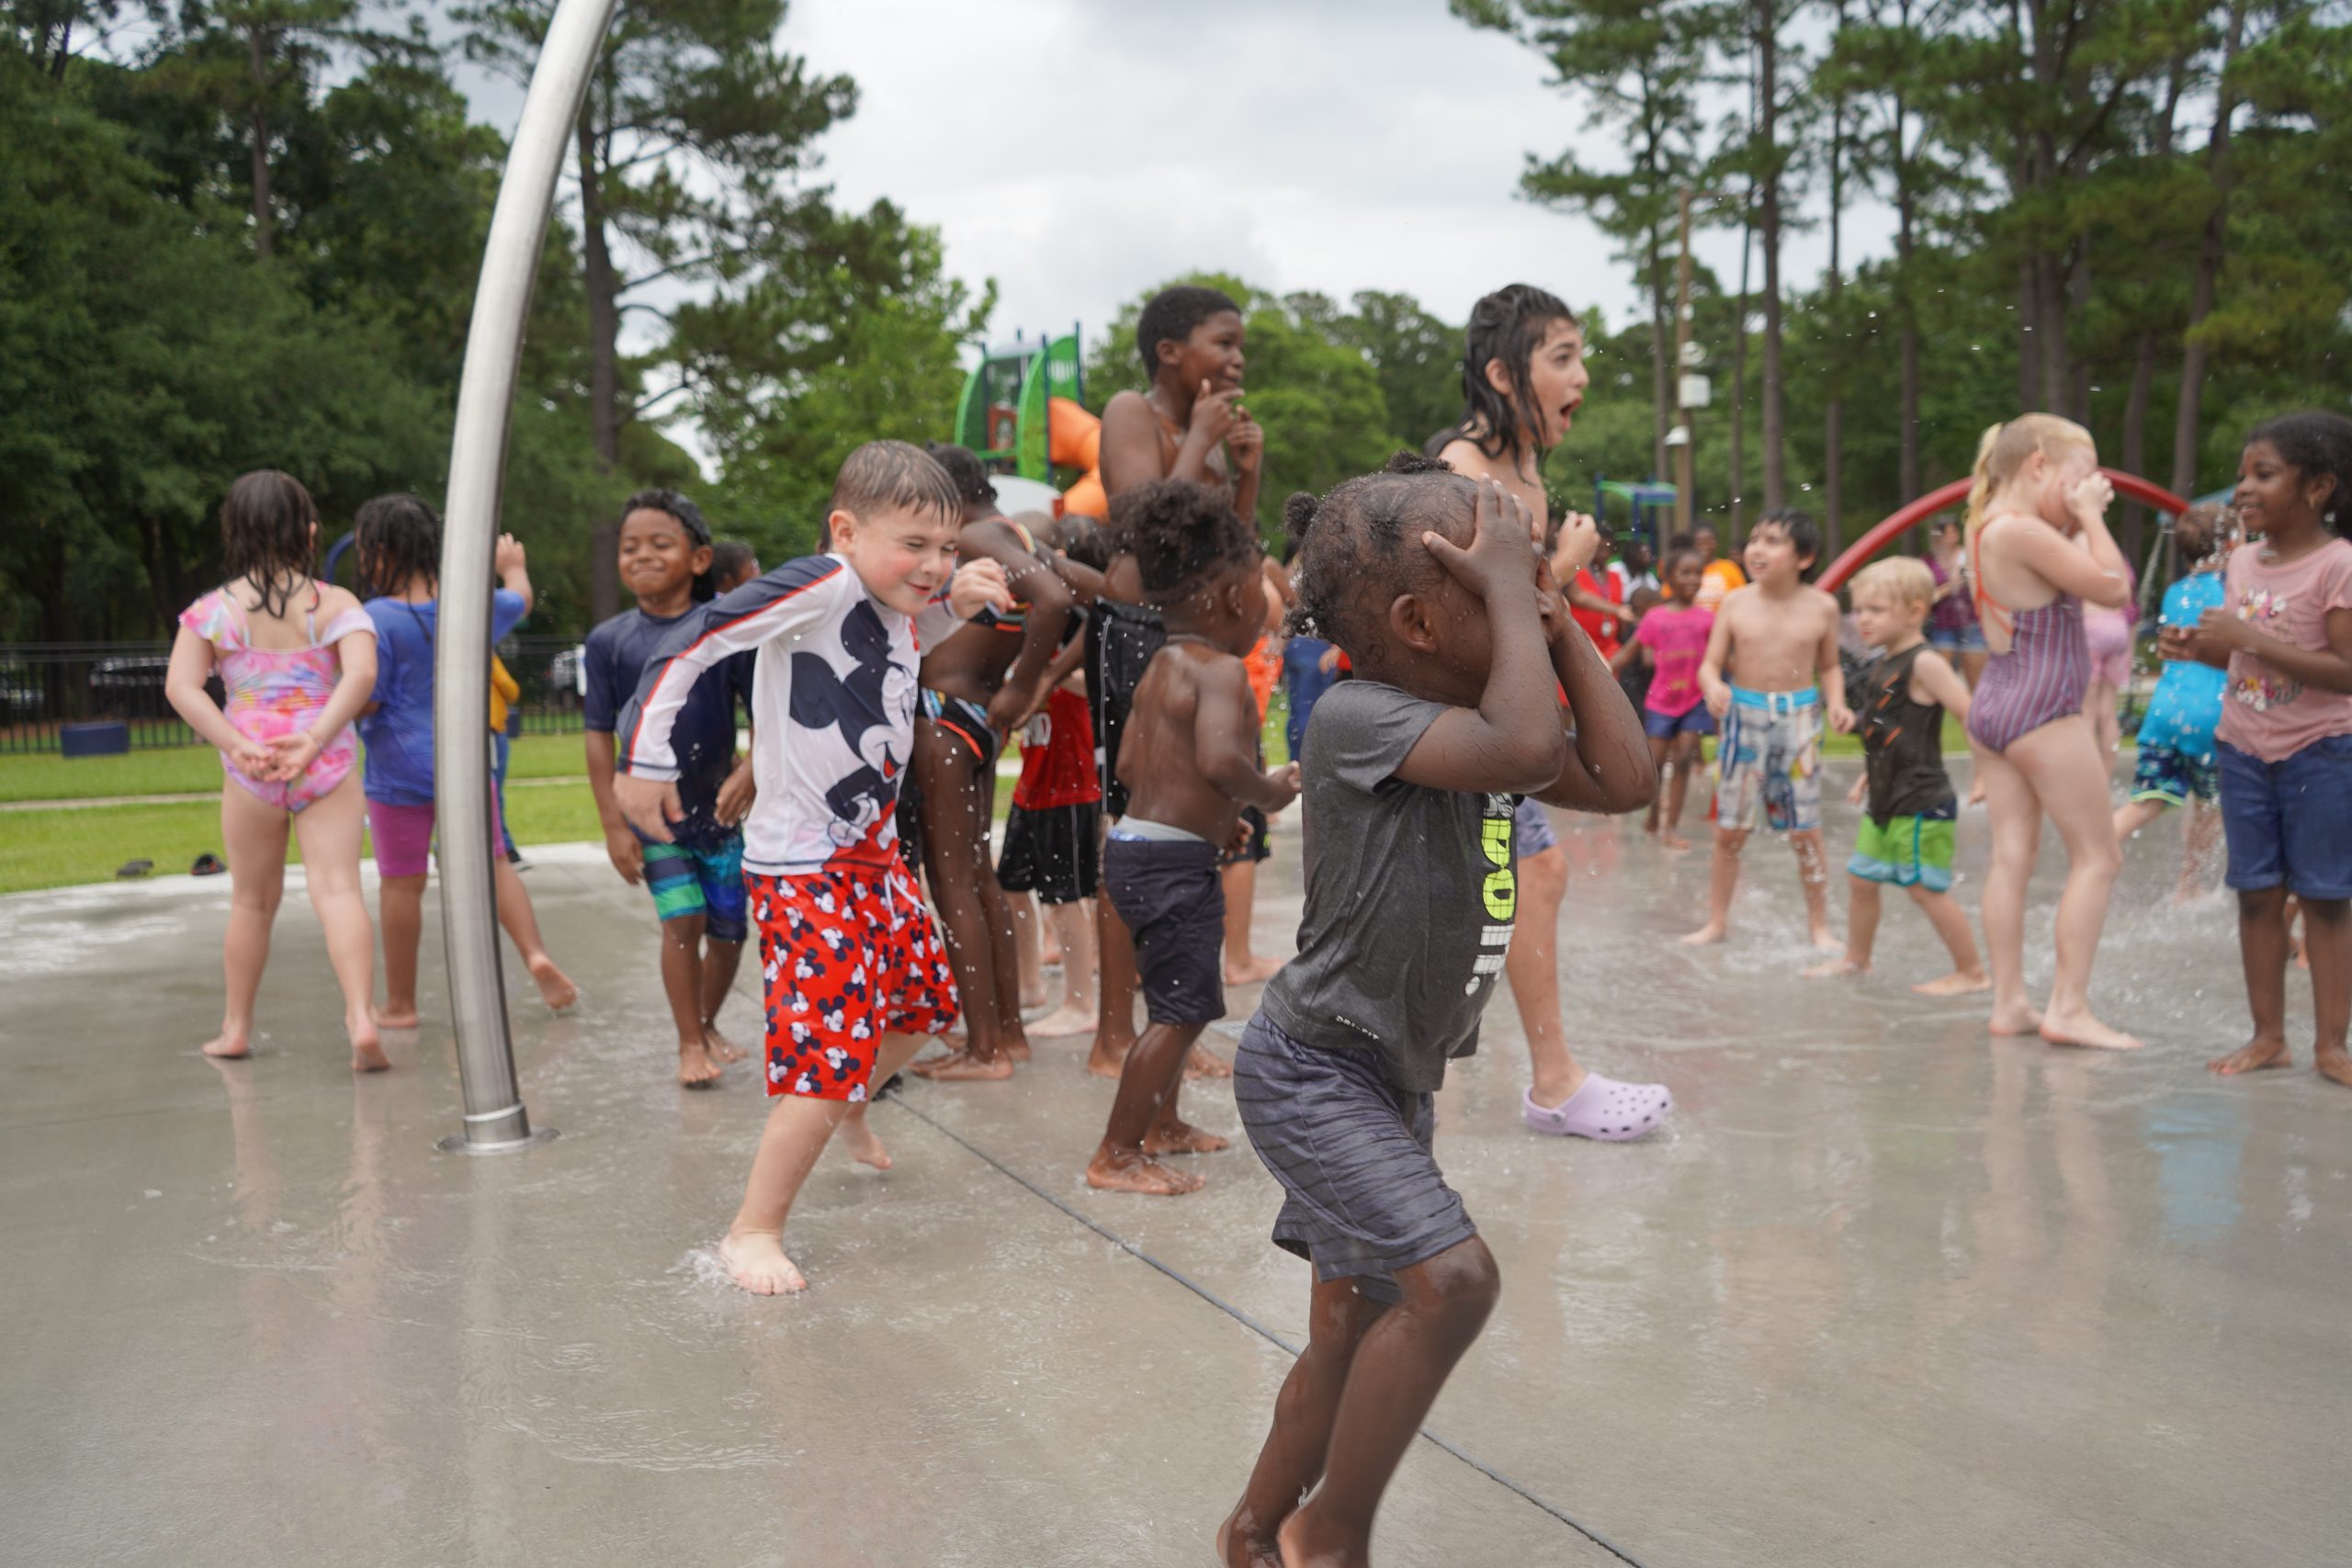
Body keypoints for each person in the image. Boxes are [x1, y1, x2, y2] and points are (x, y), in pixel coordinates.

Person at [1216, 459, 1654, 1568]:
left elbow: (1624, 776)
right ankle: (1331, 1535)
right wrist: (1517, 596)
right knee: (1454, 1282)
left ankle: (1253, 1534)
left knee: (1346, 1334)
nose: (1518, 586)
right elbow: (1528, 747)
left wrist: (1550, 616)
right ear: (1417, 622)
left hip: (1388, 1081)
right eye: (1488, 579)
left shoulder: (1472, 723)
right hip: (1313, 1073)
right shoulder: (1357, 718)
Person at [610, 441, 1011, 1294]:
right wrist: (642, 758)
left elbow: (891, 656)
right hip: (805, 868)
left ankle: (849, 1102)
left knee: (925, 1004)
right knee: (829, 1052)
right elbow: (694, 640)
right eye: (915, 544)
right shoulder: (821, 583)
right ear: (846, 531)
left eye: (948, 547)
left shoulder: (891, 602)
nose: (935, 563)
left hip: (871, 856)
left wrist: (952, 606)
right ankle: (752, 1229)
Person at [1431, 282, 1673, 1139]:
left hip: (1493, 719)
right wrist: (1566, 564)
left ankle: (1540, 1078)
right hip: (1445, 724)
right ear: (1503, 372)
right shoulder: (1464, 471)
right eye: (1562, 358)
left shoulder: (1524, 472)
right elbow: (1469, 624)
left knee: (1525, 877)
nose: (1582, 377)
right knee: (1505, 882)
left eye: (1582, 357)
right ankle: (1541, 1083)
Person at [1086, 481, 1300, 1196]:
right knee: (1183, 1011)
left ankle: (1163, 1124)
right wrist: (1268, 793)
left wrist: (1213, 817)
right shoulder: (1222, 671)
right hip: (1173, 864)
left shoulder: (1161, 665)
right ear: (1236, 598)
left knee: (1173, 1001)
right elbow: (1217, 759)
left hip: (1137, 848)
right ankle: (1116, 1153)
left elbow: (1130, 766)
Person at [1089, 285, 1265, 1079]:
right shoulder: (1134, 411)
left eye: (1239, 345)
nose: (1237, 358)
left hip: (1196, 638)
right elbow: (1140, 527)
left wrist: (1248, 474)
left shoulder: (1214, 436)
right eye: (1222, 342)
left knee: (1191, 829)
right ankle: (1113, 1033)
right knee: (1135, 829)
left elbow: (1228, 549)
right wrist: (1198, 438)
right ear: (1170, 352)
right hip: (1135, 630)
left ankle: (1169, 1019)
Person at [164, 470, 384, 1070]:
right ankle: (361, 1017)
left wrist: (236, 745)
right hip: (324, 760)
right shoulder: (336, 604)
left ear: (233, 532)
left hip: (253, 767)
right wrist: (313, 739)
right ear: (310, 533)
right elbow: (362, 675)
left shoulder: (213, 612)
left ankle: (236, 1028)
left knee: (252, 902)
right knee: (338, 889)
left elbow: (181, 687)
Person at [2171, 413, 2352, 1089]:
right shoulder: (2244, 561)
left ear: (2318, 487)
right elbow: (2242, 660)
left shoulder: (2338, 565)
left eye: (2264, 474)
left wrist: (2247, 635)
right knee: (2256, 894)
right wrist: (2199, 648)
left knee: (2325, 899)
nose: (2243, 488)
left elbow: (2346, 672)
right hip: (2244, 749)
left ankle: (2331, 1045)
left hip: (2320, 752)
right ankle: (2268, 1037)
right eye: (2242, 474)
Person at [353, 493, 576, 1027]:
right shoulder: (470, 605)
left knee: (401, 882)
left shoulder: (375, 618)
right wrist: (512, 567)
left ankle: (401, 1004)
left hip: (396, 770)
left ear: (382, 552)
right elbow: (519, 599)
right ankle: (535, 955)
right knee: (494, 864)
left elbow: (369, 699)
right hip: (466, 765)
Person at [1961, 414, 2140, 1049]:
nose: (2086, 490)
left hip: (1996, 704)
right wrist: (2091, 517)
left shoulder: (1986, 525)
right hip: (2043, 709)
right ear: (2039, 464)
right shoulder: (2022, 529)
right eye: (2078, 478)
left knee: (2012, 856)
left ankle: (2010, 1003)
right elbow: (2115, 589)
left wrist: (2075, 511)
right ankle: (2068, 1007)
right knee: (2099, 855)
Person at [905, 444, 1075, 1082]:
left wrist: (1024, 684)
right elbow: (1082, 590)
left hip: (945, 717)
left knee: (954, 884)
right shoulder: (1014, 533)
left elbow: (1054, 599)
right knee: (978, 880)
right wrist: (1023, 682)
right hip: (973, 717)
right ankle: (1007, 1034)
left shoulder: (976, 535)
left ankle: (986, 1050)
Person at [582, 490, 755, 1089]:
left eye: (660, 543)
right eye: (630, 547)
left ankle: (705, 1024)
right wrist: (613, 824)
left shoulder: (726, 631)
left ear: (700, 558)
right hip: (654, 815)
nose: (642, 556)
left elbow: (762, 708)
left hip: (721, 809)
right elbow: (597, 734)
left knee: (730, 930)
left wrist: (751, 768)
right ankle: (689, 1044)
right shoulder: (610, 641)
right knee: (683, 920)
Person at [1804, 558, 1987, 991]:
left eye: (1875, 610)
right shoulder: (1885, 662)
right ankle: (1857, 959)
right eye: (1858, 610)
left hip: (1922, 801)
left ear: (1915, 612)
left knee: (1925, 888)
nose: (1862, 620)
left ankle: (1971, 972)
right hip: (1886, 799)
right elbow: (1892, 729)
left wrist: (1983, 775)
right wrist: (1869, 771)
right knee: (1862, 879)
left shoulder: (1925, 663)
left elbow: (1971, 715)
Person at [1683, 509, 1851, 947]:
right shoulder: (1736, 602)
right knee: (1730, 828)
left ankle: (1819, 926)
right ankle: (1717, 922)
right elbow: (1709, 664)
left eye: (1773, 541)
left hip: (1800, 718)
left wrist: (1836, 703)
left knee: (1805, 830)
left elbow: (1829, 666)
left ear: (1804, 557)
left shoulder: (1823, 606)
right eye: (1755, 538)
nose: (1757, 548)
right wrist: (1713, 685)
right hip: (1745, 716)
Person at [2113, 504, 2229, 901]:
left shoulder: (2175, 592)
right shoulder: (2234, 591)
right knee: (2210, 806)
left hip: (2165, 712)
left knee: (2147, 801)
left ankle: (2096, 849)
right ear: (2231, 544)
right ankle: (2187, 885)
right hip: (2211, 715)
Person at [999, 641, 1103, 1039]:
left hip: (1070, 789)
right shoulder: (1024, 647)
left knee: (1064, 898)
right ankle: (1029, 984)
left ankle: (1081, 1003)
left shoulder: (1073, 650)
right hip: (1031, 787)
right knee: (1011, 887)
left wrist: (1046, 671)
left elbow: (1096, 686)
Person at [1611, 547, 1714, 849]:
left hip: (1694, 700)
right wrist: (1598, 669)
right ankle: (1654, 813)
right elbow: (1628, 654)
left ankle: (1671, 828)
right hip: (1661, 702)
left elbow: (1723, 658)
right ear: (1668, 577)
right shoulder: (1655, 618)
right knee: (1655, 764)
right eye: (1685, 573)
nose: (1692, 579)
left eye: (1698, 573)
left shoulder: (1708, 620)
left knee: (1683, 759)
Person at [2082, 558, 2139, 762]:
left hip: (2090, 623)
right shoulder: (2118, 559)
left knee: (2087, 710)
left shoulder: (2082, 553)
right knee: (2108, 710)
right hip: (2117, 626)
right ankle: (2106, 775)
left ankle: (2088, 774)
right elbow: (2131, 607)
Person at [1926, 516, 1988, 687]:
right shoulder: (1929, 562)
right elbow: (1927, 596)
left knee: (1976, 677)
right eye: (1946, 532)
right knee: (1942, 677)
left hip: (1972, 621)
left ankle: (1975, 704)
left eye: (1954, 531)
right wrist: (1950, 586)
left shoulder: (1968, 556)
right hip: (1943, 624)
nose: (1951, 536)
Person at [1691, 522, 1748, 612]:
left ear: (1715, 542)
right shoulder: (1688, 571)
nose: (1704, 546)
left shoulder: (1730, 568)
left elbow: (1743, 599)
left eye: (1709, 542)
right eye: (1699, 543)